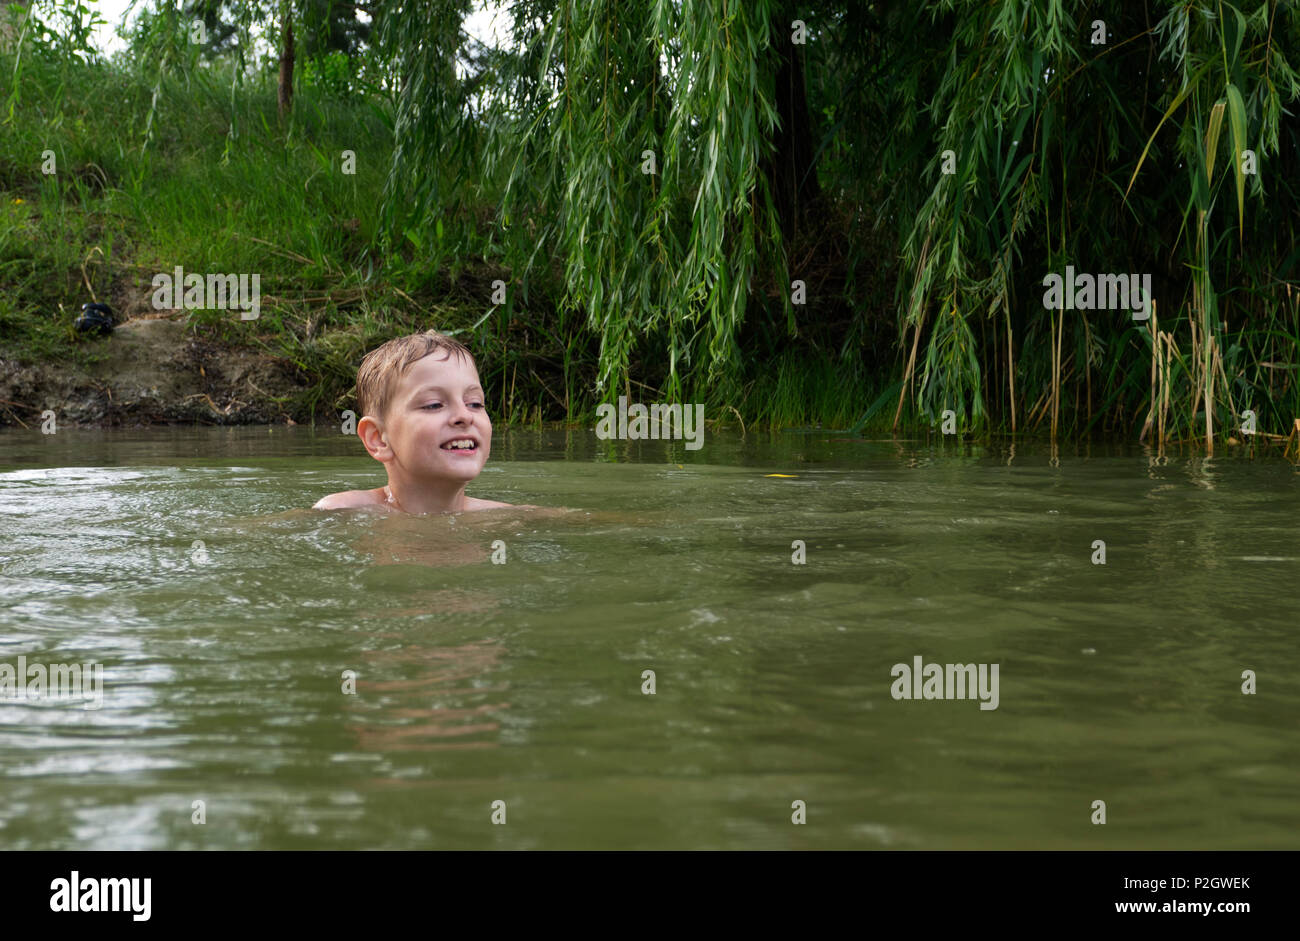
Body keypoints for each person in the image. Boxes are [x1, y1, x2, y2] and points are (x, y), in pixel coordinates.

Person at [313, 330, 526, 514]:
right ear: (378, 439)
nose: (465, 416)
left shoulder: (509, 517)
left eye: (475, 404)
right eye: (434, 405)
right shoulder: (342, 511)